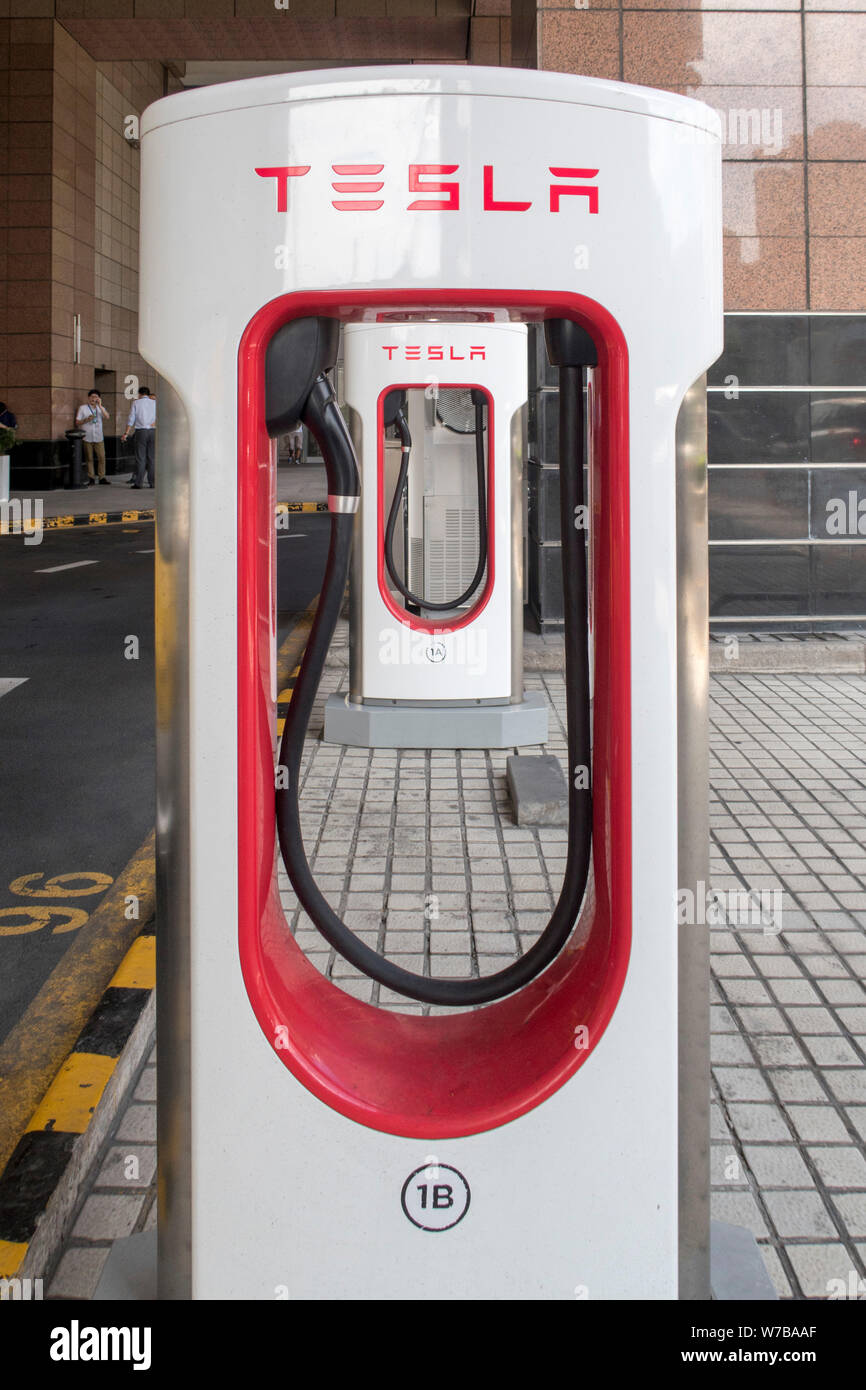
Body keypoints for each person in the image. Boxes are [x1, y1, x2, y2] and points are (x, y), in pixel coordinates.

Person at [122, 386, 156, 489]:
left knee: (141, 458)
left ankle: (138, 483)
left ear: (140, 394)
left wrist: (126, 433)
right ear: (148, 394)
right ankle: (153, 483)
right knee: (152, 458)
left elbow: (131, 419)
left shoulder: (136, 403)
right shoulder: (154, 403)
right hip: (153, 431)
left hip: (141, 432)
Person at [75, 389, 110, 486]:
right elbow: (77, 422)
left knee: (102, 457)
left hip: (99, 437)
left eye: (95, 397)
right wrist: (86, 420)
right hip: (87, 437)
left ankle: (102, 477)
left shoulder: (101, 408)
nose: (93, 399)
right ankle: (91, 478)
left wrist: (100, 406)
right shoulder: (83, 408)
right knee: (89, 458)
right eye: (91, 397)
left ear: (99, 398)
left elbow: (107, 417)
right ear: (88, 398)